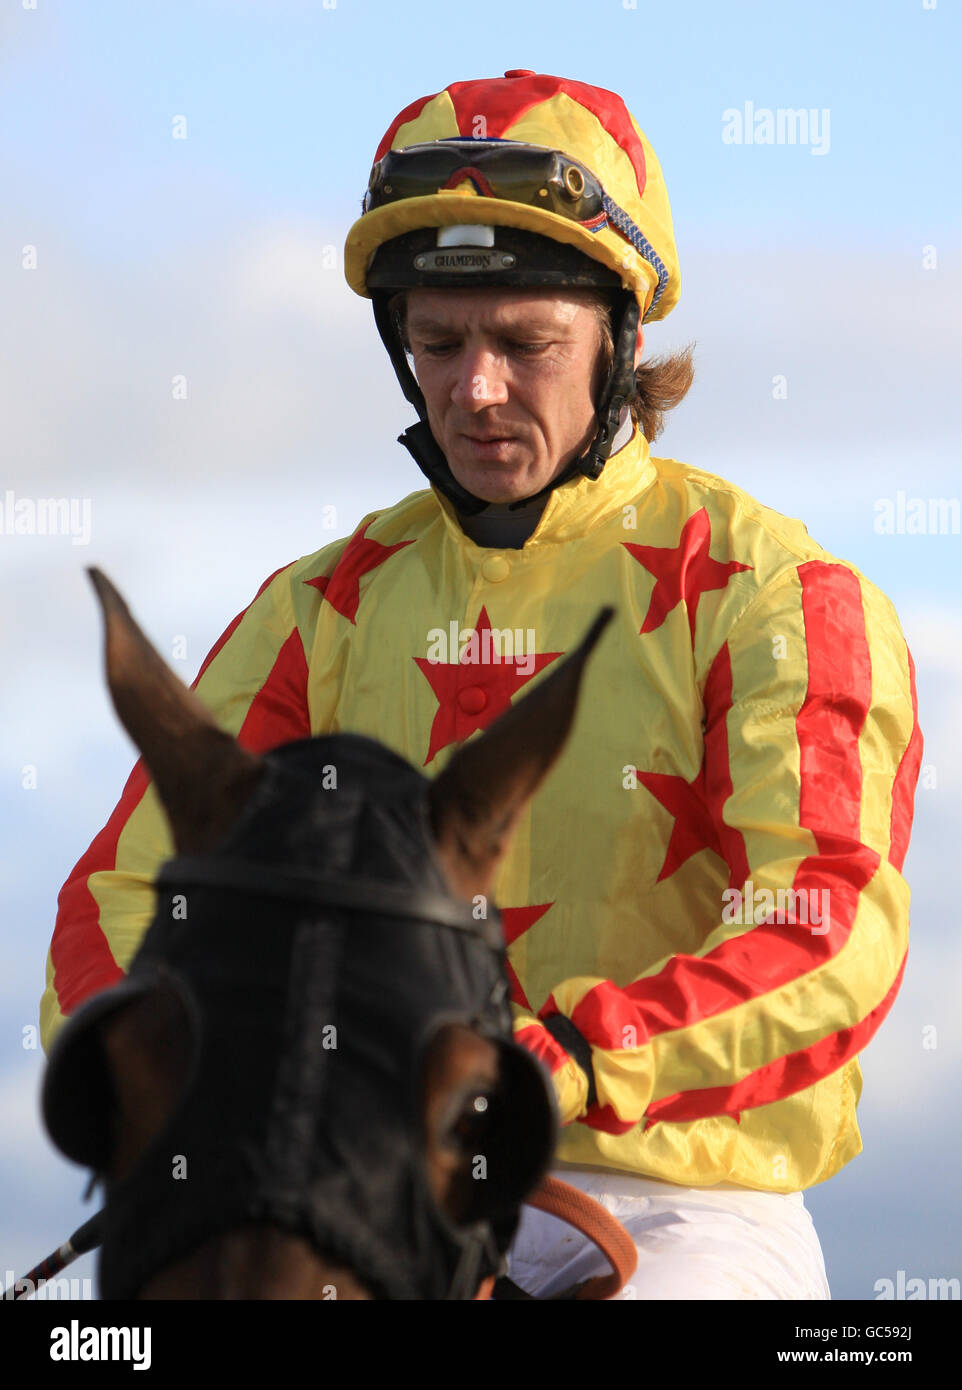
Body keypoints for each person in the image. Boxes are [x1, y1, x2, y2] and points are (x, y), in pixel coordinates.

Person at [40, 71, 923, 1299]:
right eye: (438, 343)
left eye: (523, 343)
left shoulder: (775, 594)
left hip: (681, 1205)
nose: (475, 390)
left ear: (617, 336)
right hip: (368, 1183)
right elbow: (120, 896)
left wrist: (564, 1057)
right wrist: (174, 1071)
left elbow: (828, 926)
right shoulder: (320, 604)